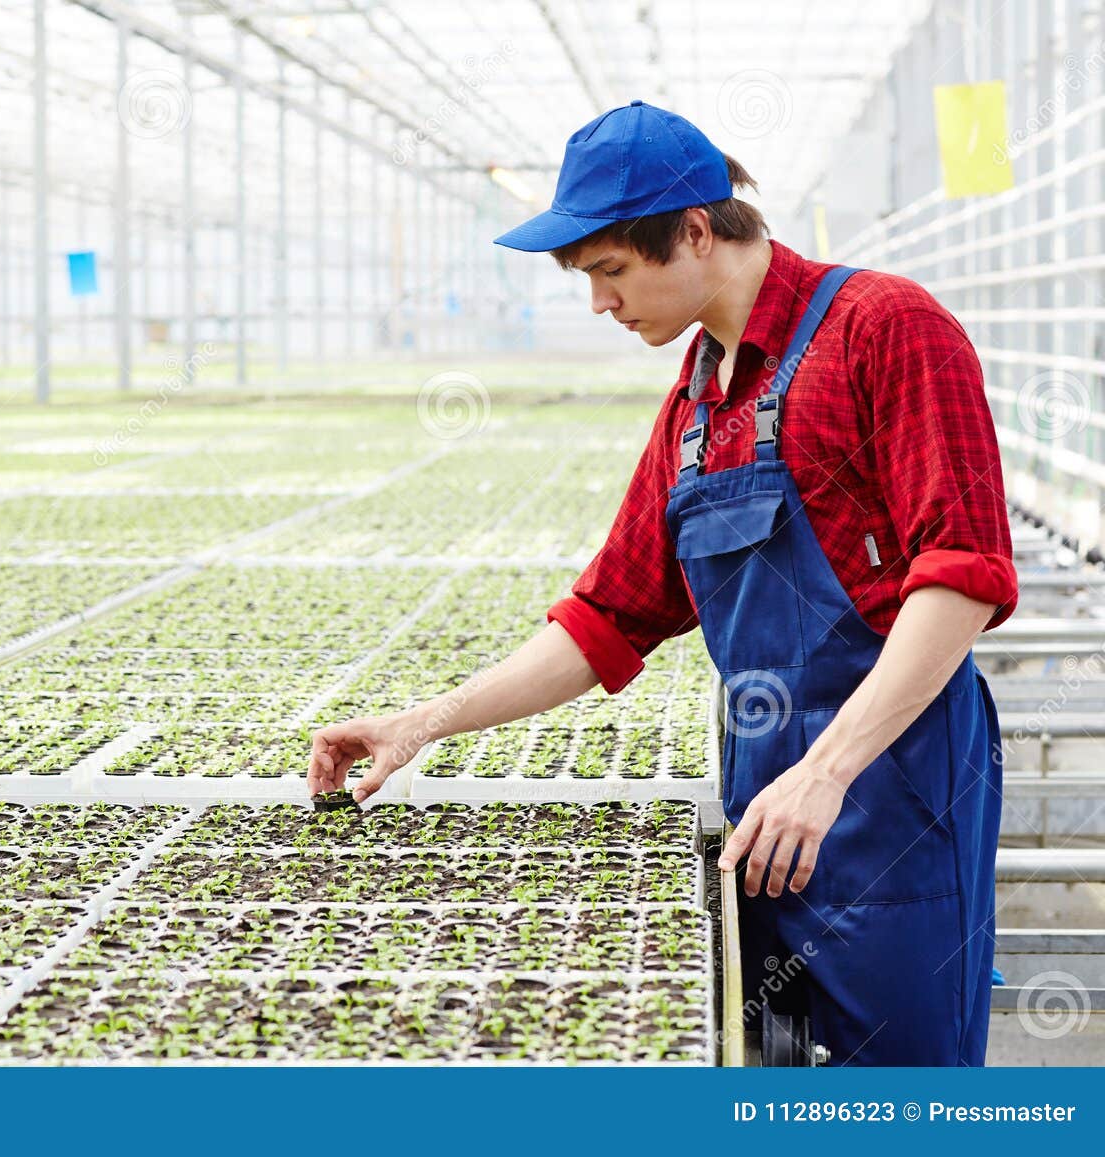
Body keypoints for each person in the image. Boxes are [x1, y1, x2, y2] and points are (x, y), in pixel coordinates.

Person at [307, 100, 1016, 1067]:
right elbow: (608, 615)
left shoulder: (883, 328)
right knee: (779, 1054)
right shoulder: (697, 398)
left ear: (694, 229)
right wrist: (421, 723)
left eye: (610, 271)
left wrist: (827, 770)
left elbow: (962, 576)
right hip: (766, 793)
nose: (600, 303)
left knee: (904, 1084)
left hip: (891, 789)